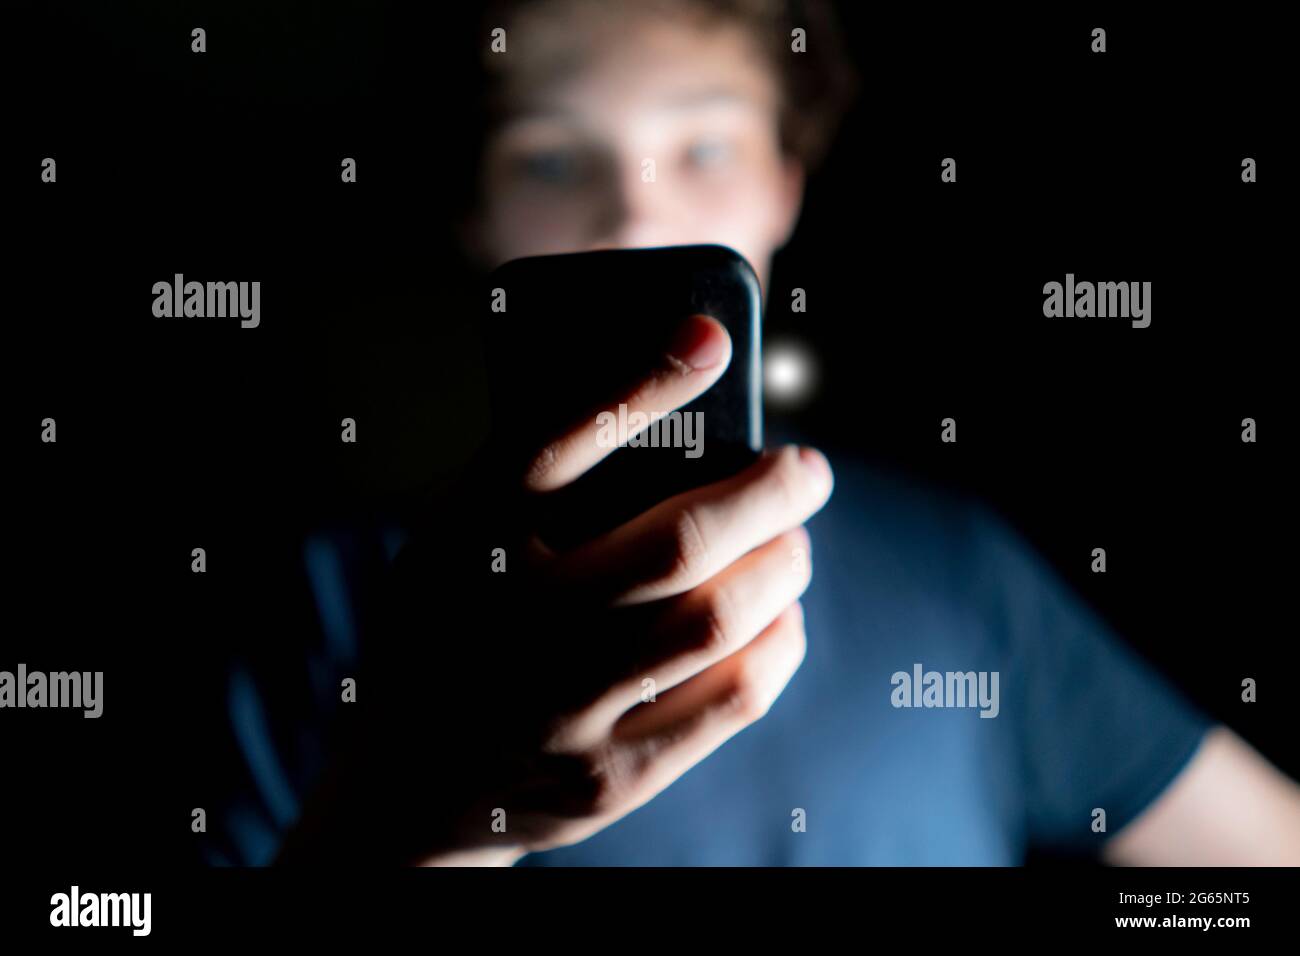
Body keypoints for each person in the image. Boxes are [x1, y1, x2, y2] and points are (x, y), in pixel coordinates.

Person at [203, 0, 1300, 867]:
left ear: (784, 188)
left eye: (705, 148)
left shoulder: (961, 575)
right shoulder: (338, 604)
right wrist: (422, 831)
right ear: (475, 217)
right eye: (548, 158)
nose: (633, 216)